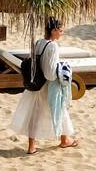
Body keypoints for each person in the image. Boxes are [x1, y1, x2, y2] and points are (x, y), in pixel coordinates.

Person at [10, 17, 80, 155]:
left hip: (35, 84)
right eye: (60, 30)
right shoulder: (53, 46)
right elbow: (50, 74)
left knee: (34, 115)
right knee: (60, 110)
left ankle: (31, 146)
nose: (62, 32)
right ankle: (65, 140)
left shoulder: (39, 43)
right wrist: (62, 70)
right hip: (47, 86)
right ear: (53, 30)